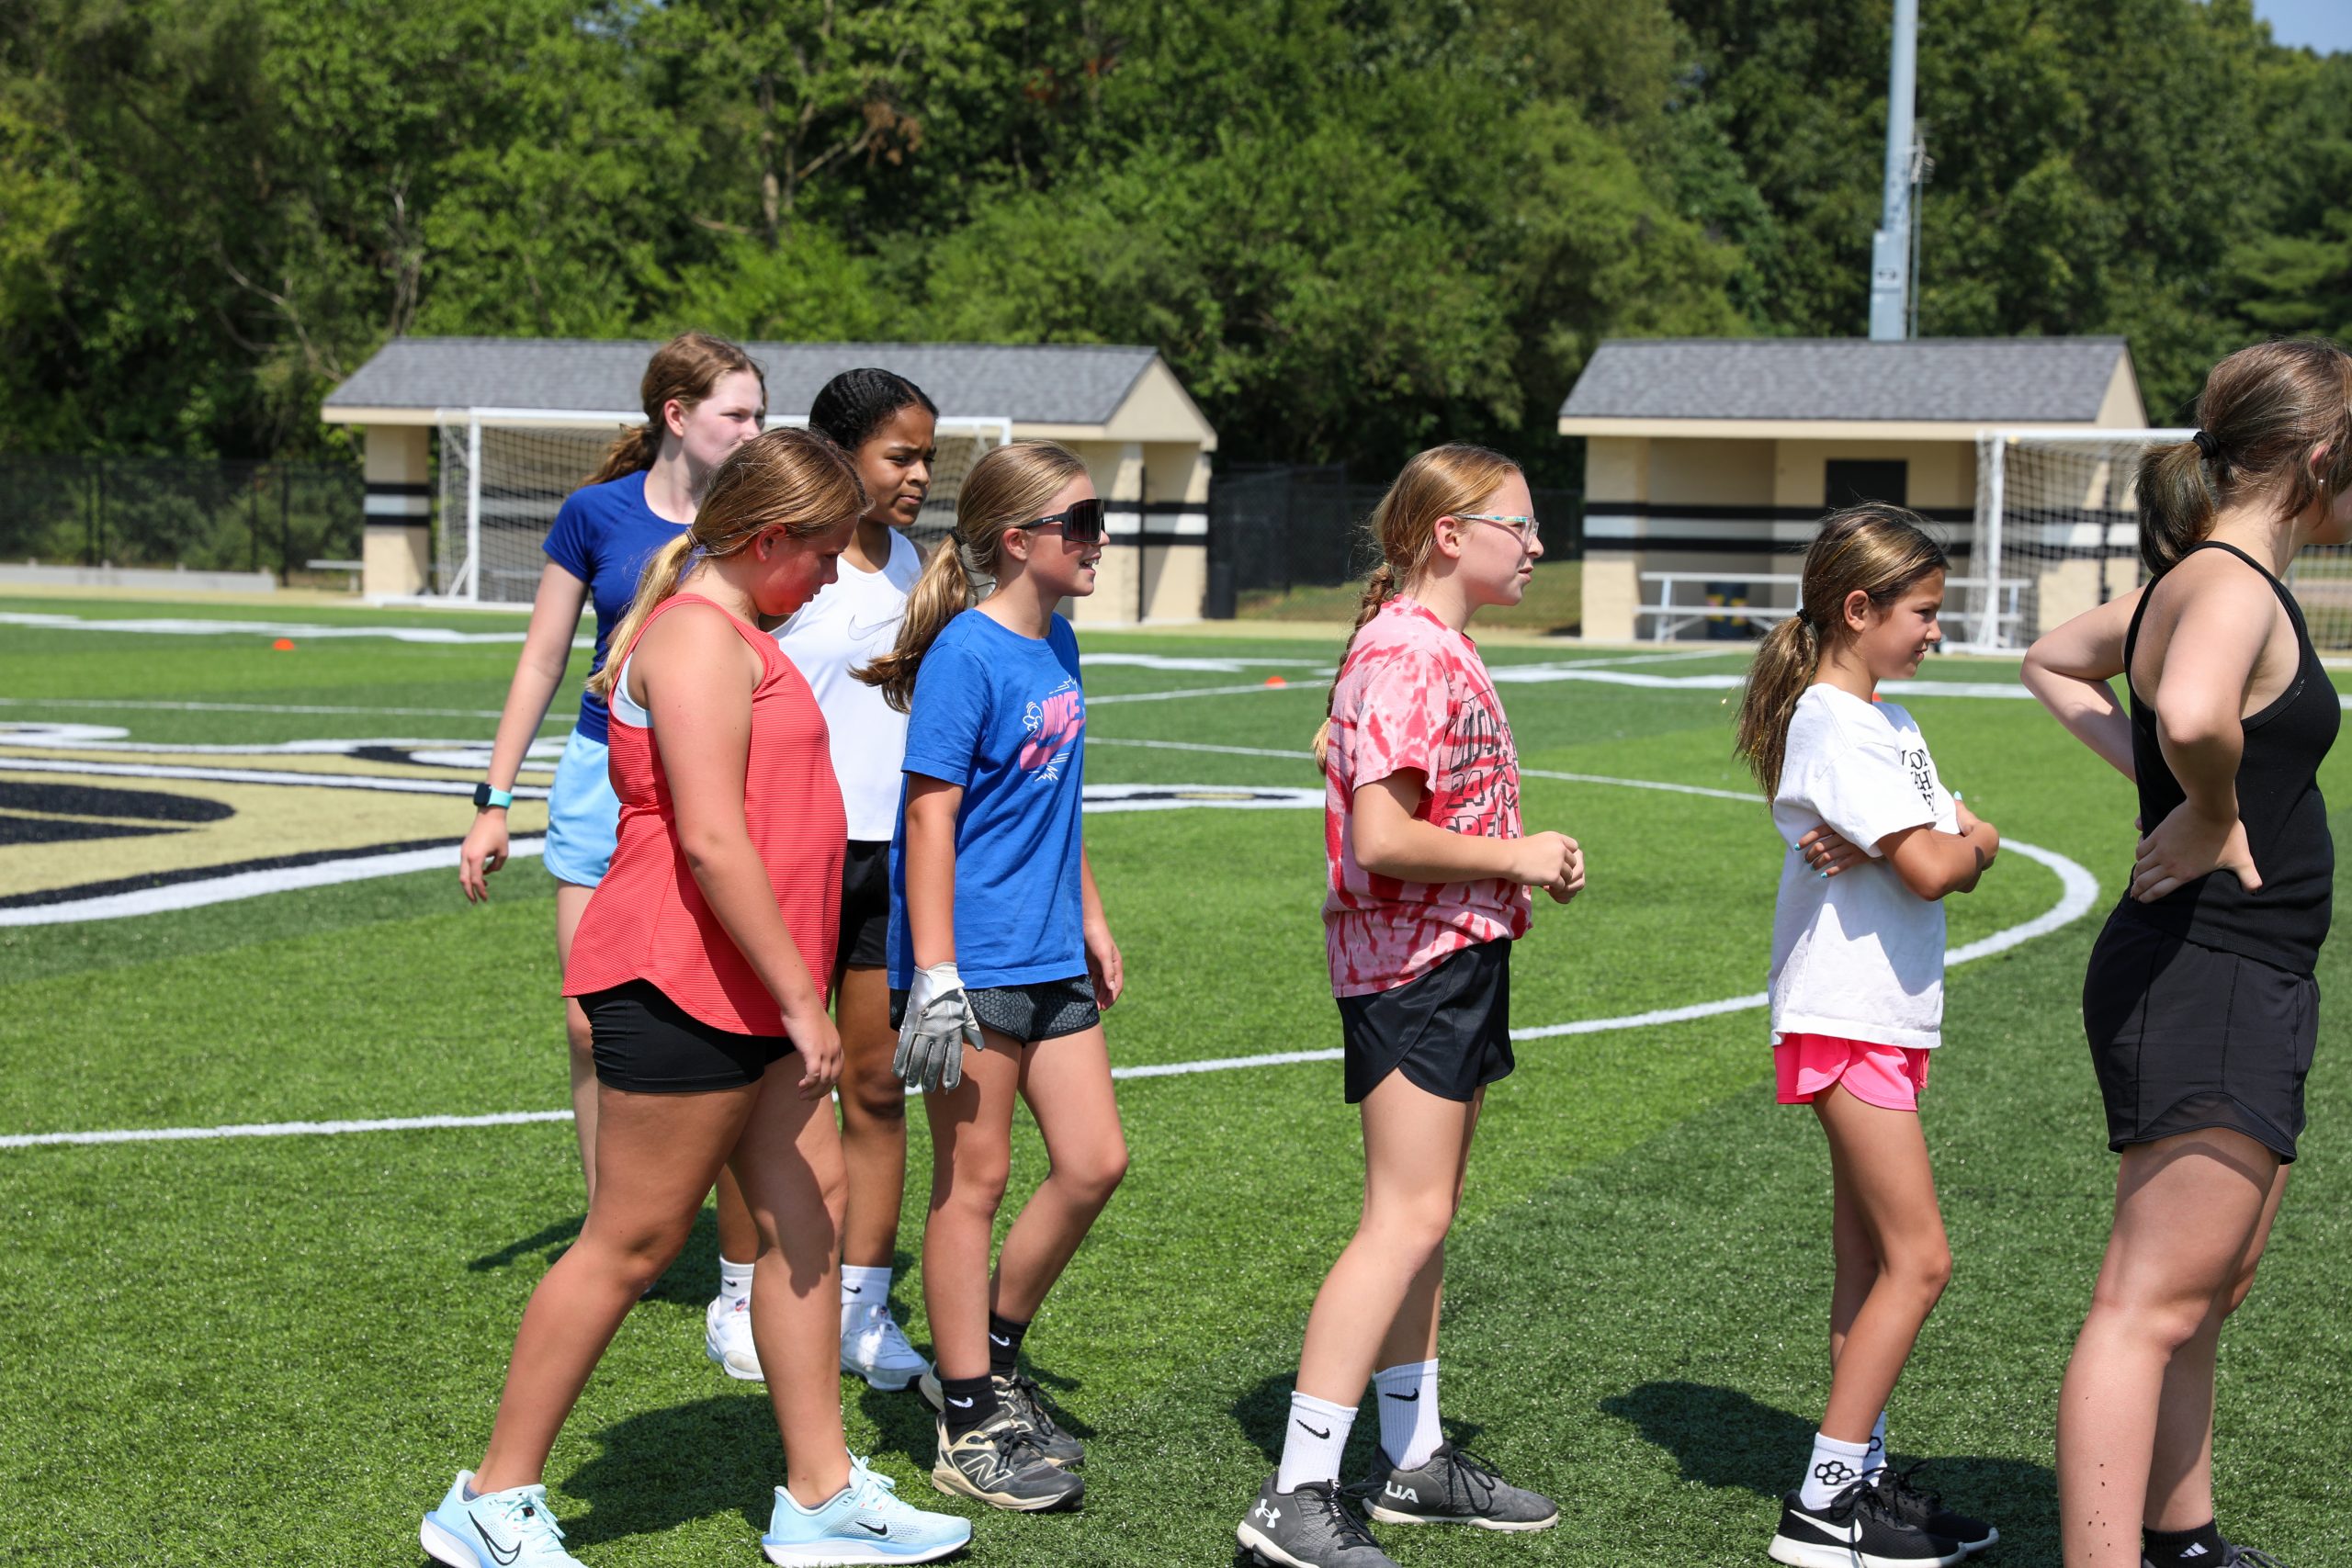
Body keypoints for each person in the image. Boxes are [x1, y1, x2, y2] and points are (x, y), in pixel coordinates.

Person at [422, 429, 971, 1568]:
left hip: (739, 989)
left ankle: (818, 1496)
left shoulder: (732, 632)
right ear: (769, 538)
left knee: (807, 1214)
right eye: (821, 553)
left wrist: (785, 996)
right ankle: (491, 1499)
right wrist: (803, 1001)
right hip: (679, 978)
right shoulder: (693, 639)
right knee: (632, 1240)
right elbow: (715, 843)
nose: (832, 575)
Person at [2023, 338, 2349, 1568]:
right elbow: (2200, 714)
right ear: (2320, 458)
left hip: (2242, 968)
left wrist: (2161, 782)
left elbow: (2052, 661)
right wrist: (2204, 808)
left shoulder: (2210, 579)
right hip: (2204, 968)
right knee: (2147, 1302)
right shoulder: (2224, 587)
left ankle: (2182, 1535)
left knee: (2210, 1282)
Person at [1236, 444, 1580, 1568]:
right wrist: (1516, 854)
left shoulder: (1432, 644)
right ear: (1449, 533)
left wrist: (1511, 867)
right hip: (1412, 964)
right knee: (1403, 1221)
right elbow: (1381, 838)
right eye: (1518, 527)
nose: (1536, 547)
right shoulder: (1405, 652)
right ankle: (1296, 1494)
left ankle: (1415, 1458)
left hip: (1449, 955)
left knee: (1424, 1219)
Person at [455, 333, 776, 1379]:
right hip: (602, 782)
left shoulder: (757, 522)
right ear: (678, 416)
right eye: (739, 414)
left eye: (761, 414)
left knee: (727, 1013)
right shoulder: (597, 515)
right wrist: (493, 801)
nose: (756, 432)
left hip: (718, 785)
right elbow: (545, 657)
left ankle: (727, 1247)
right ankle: (618, 1231)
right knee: (591, 1023)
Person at [855, 439, 1127, 1513]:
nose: (1101, 539)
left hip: (1051, 951)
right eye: (1083, 522)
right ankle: (967, 1418)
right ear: (1019, 542)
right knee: (972, 1185)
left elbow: (1060, 799)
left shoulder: (1057, 641)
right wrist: (933, 973)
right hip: (969, 966)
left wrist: (1094, 919)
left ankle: (990, 1359)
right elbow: (927, 819)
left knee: (1095, 1162)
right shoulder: (968, 654)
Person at [1731, 504, 2005, 1568]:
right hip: (1842, 1013)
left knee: (1869, 1263)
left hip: (1881, 1014)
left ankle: (1861, 1481)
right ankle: (1822, 1507)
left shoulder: (1888, 724)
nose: (1936, 630)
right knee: (1921, 1260)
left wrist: (1954, 838)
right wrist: (1951, 842)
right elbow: (1946, 862)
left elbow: (1973, 834)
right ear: (1859, 608)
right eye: (1924, 612)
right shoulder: (1830, 724)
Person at [774, 368, 940, 1393]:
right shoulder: (782, 559)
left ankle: (862, 1313)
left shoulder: (918, 559)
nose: (921, 474)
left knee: (879, 1088)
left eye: (928, 455)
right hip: (795, 856)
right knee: (785, 1088)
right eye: (902, 456)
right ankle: (749, 1292)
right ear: (840, 455)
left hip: (892, 859)